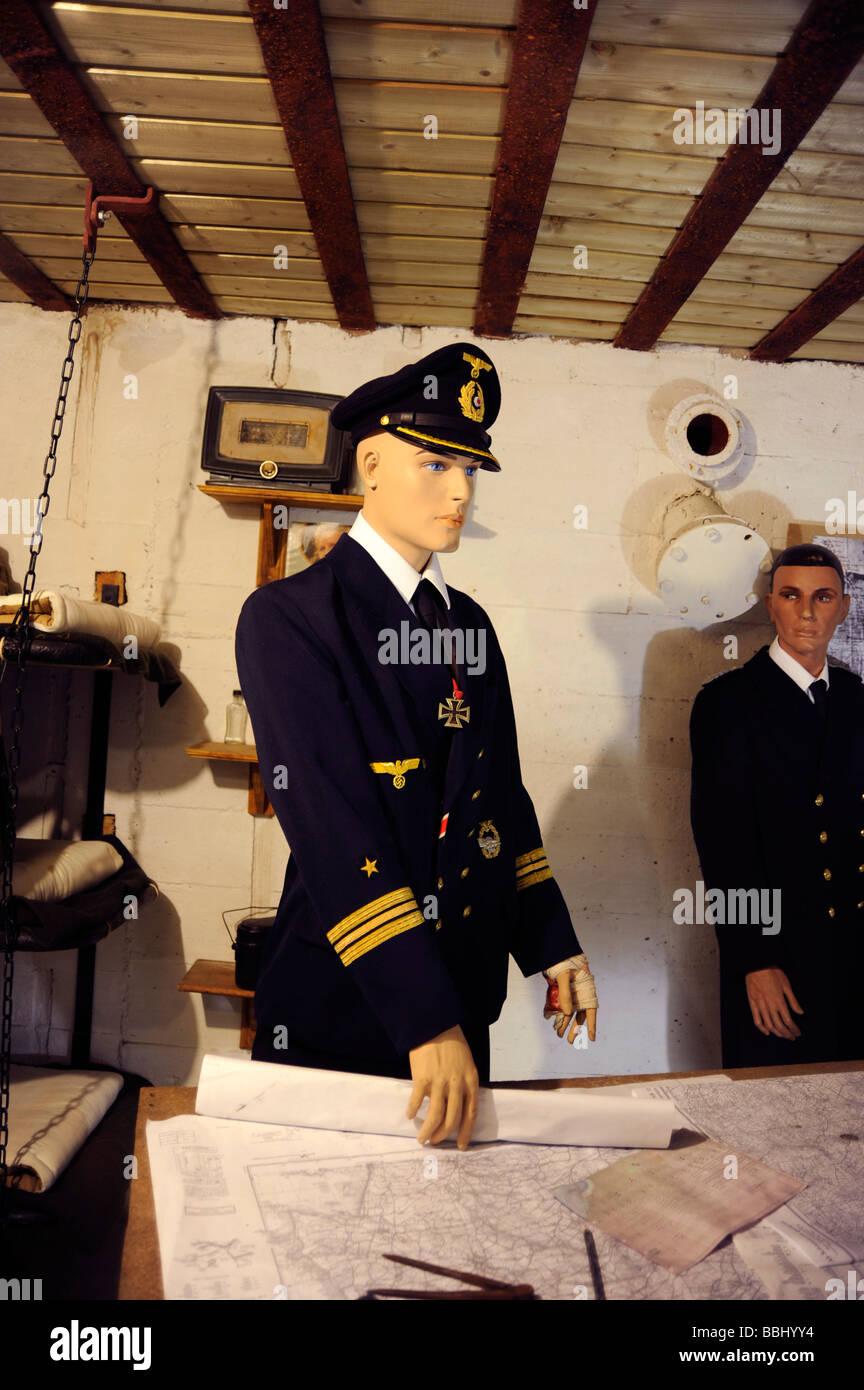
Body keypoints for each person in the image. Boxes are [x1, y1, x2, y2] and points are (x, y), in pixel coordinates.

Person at [235, 342, 597, 1149]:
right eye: (436, 463)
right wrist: (424, 1018)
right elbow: (334, 832)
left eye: (471, 469)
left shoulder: (467, 622)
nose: (462, 490)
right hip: (352, 1002)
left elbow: (500, 799)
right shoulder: (291, 617)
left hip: (463, 996)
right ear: (369, 464)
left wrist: (551, 943)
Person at [689, 543, 864, 1067]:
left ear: (844, 608)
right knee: (773, 1118)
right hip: (781, 955)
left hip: (855, 955)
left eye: (823, 597)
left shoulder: (857, 700)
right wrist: (755, 960)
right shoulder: (729, 703)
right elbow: (724, 847)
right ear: (771, 606)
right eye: (791, 595)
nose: (807, 611)